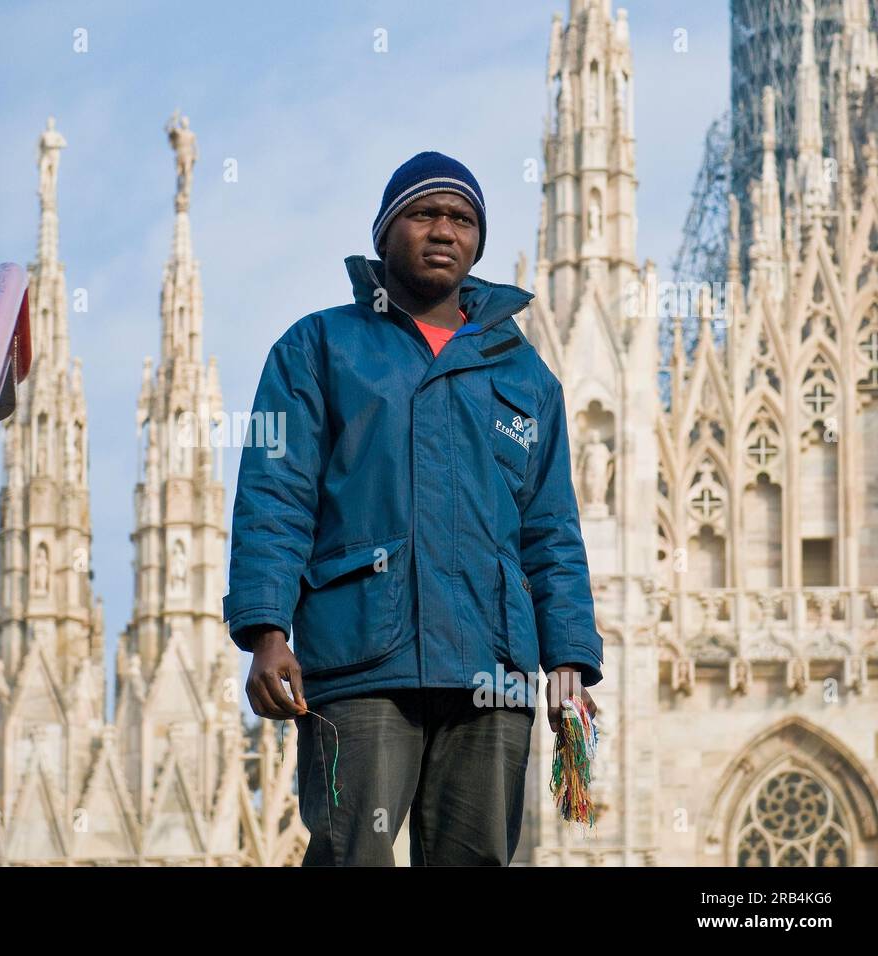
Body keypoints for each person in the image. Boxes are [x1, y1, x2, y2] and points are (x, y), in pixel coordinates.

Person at [222, 151, 602, 866]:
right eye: (423, 214)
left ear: (478, 241)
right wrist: (266, 629)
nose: (443, 231)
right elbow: (276, 494)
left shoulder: (525, 374)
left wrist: (570, 663)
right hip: (365, 657)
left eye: (461, 219)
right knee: (349, 855)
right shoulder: (319, 347)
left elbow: (552, 533)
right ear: (385, 233)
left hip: (493, 670)